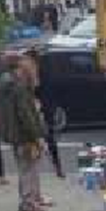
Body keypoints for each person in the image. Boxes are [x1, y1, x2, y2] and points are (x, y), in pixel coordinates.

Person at [0, 55, 47, 211]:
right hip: (24, 135)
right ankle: (28, 204)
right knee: (28, 168)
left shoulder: (5, 85)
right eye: (27, 68)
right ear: (19, 69)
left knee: (24, 168)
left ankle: (29, 201)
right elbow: (26, 115)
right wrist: (37, 136)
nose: (30, 70)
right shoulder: (19, 88)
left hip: (15, 134)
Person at [24, 49, 63, 179]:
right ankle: (48, 168)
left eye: (27, 60)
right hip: (39, 108)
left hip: (43, 108)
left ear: (33, 60)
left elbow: (41, 89)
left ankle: (57, 167)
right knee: (37, 140)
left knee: (48, 138)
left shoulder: (42, 72)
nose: (25, 63)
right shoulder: (33, 72)